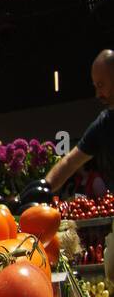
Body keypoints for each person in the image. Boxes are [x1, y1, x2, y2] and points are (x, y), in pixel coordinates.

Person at [46, 49, 114, 192]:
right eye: (95, 87)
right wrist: (43, 189)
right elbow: (70, 162)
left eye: (100, 85)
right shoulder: (103, 123)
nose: (97, 94)